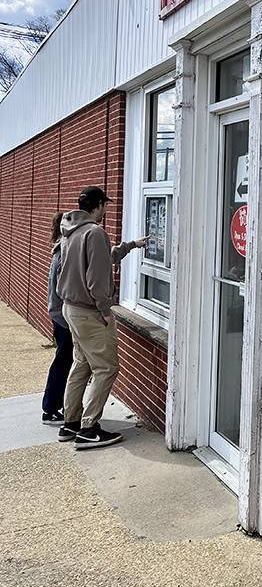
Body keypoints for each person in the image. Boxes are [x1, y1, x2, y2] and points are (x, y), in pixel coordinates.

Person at [56, 186, 148, 449]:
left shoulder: (71, 231)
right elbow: (97, 279)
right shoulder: (95, 233)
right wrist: (106, 311)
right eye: (105, 204)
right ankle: (89, 429)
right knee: (107, 368)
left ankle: (70, 424)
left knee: (81, 366)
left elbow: (101, 260)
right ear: (98, 205)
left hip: (71, 309)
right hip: (90, 313)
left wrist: (130, 245)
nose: (106, 209)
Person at [41, 211, 73, 423]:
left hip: (58, 314)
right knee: (63, 361)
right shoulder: (63, 254)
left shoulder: (59, 251)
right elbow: (64, 290)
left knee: (63, 360)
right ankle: (51, 408)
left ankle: (53, 406)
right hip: (62, 317)